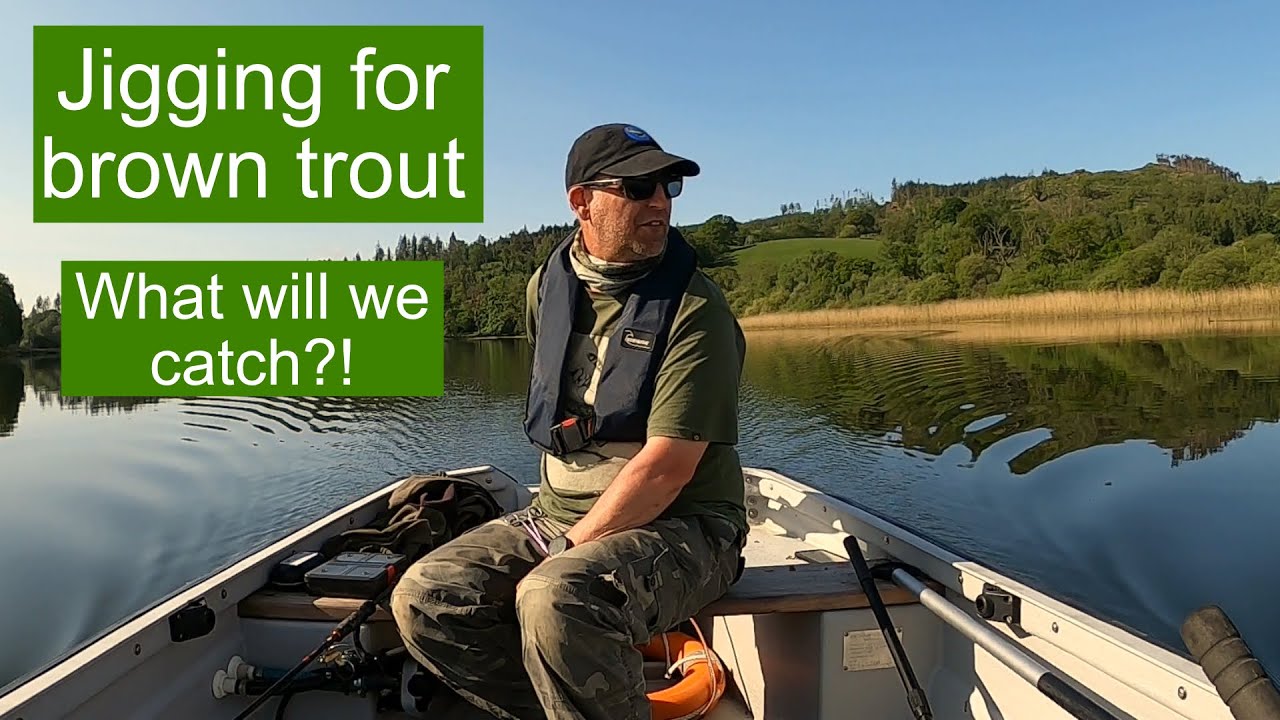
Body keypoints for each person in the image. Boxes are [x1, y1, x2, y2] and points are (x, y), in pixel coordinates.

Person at [390, 123, 748, 720]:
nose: (659, 200)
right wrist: (556, 534)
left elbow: (665, 471)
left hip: (689, 529)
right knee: (427, 598)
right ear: (581, 201)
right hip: (554, 513)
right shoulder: (546, 288)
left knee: (558, 595)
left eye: (667, 186)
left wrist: (565, 549)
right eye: (637, 187)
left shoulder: (696, 309)